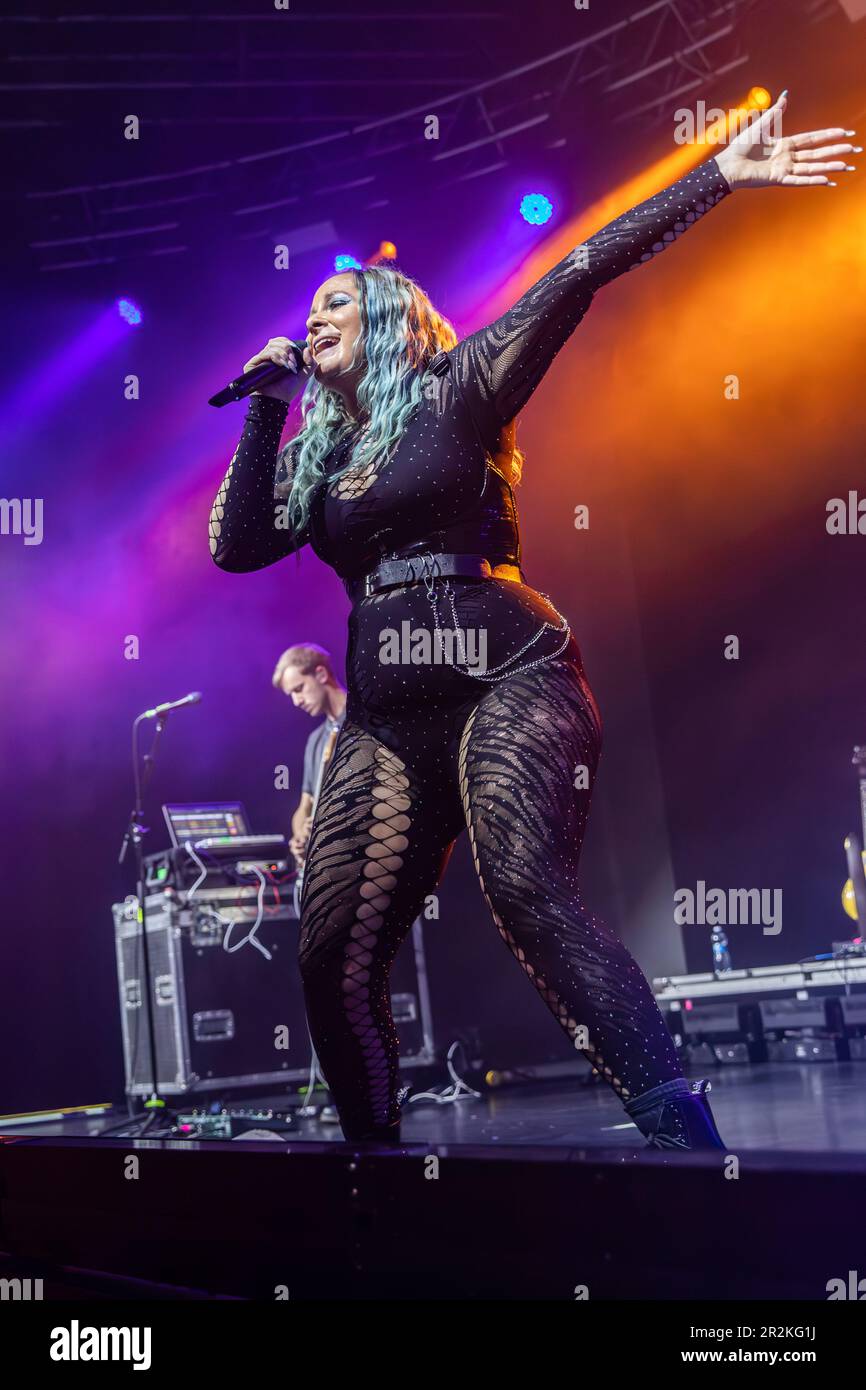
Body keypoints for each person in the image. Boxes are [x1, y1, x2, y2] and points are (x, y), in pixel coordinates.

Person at [209, 94, 857, 1146]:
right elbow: (235, 546)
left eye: (337, 302)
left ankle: (679, 1135)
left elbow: (578, 267)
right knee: (332, 946)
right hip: (385, 714)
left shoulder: (458, 386)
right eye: (309, 310)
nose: (314, 316)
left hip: (507, 674)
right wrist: (268, 408)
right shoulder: (317, 457)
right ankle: (374, 1180)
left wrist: (714, 175)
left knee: (524, 892)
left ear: (388, 319)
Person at [272, 643, 347, 882]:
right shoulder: (315, 741)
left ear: (321, 674)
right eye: (291, 694)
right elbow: (304, 807)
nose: (296, 701)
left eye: (299, 689)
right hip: (335, 874)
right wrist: (301, 836)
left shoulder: (368, 719)